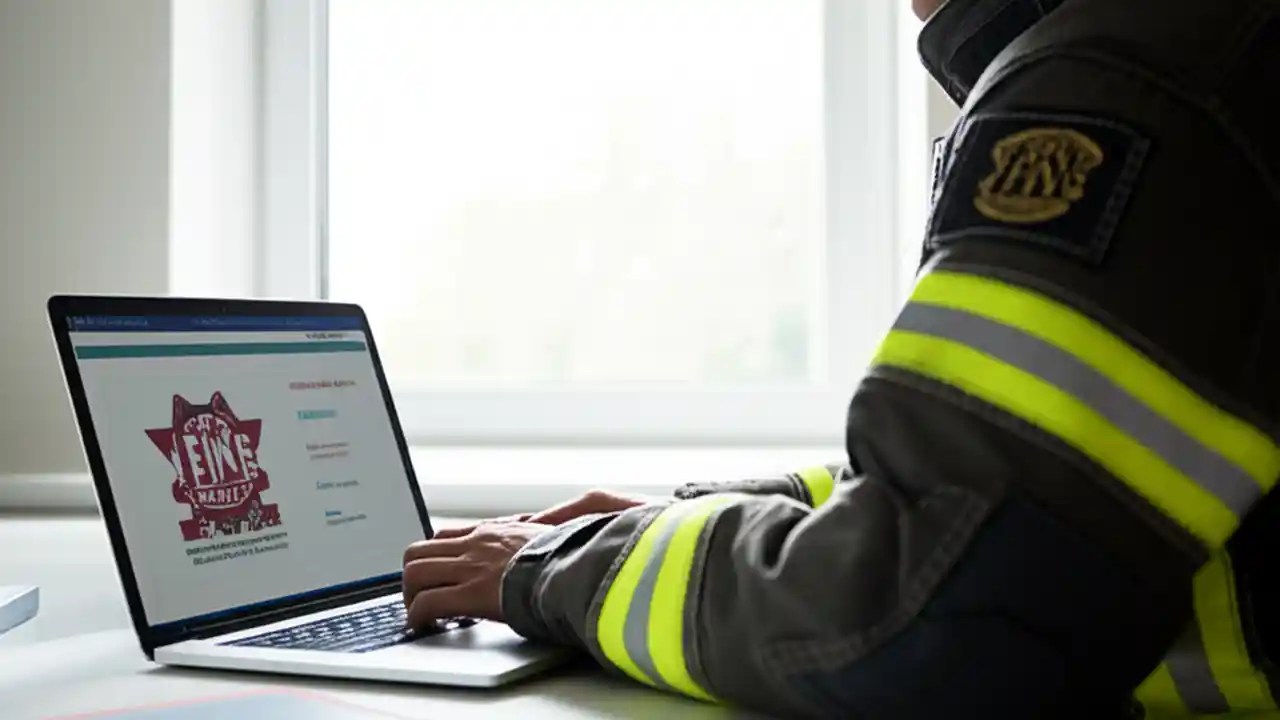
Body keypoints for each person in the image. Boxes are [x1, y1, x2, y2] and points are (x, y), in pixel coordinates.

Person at [402, 0, 1280, 716]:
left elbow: (932, 622)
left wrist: (564, 566)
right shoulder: (1189, 48)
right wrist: (709, 517)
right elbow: (1036, 494)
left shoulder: (1119, 81)